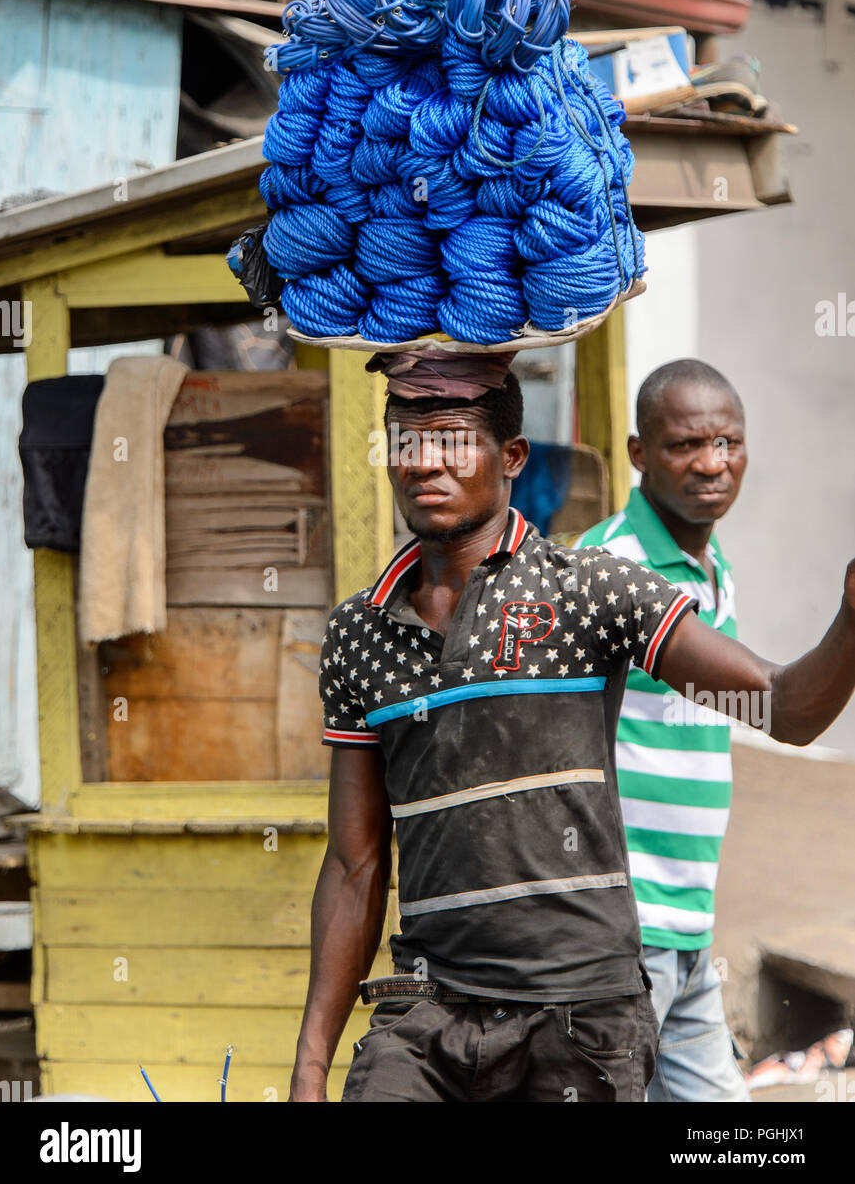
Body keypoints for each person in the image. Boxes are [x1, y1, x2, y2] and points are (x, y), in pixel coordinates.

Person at [289, 350, 855, 1103]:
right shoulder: (357, 636)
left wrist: (849, 618)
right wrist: (308, 1068)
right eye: (405, 441)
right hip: (426, 1012)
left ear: (511, 456)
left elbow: (780, 707)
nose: (425, 463)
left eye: (453, 440)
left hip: (581, 1019)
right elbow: (355, 866)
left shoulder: (591, 590)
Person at [578, 359, 751, 1101]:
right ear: (638, 454)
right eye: (685, 445)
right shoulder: (606, 565)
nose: (711, 464)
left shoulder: (712, 565)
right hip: (622, 927)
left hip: (686, 925)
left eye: (728, 442)